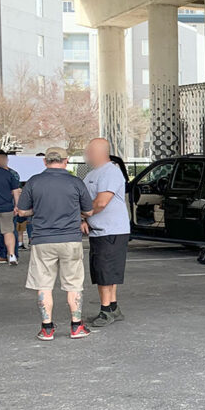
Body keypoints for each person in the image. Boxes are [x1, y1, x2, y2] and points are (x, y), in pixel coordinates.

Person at [16, 147, 94, 341]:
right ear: (66, 161)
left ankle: (47, 328)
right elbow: (89, 211)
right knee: (73, 284)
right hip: (70, 240)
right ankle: (76, 326)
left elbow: (22, 211)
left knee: (44, 285)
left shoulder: (34, 182)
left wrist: (38, 209)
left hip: (42, 240)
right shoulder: (76, 182)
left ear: (45, 162)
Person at [82, 138, 130, 327]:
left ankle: (105, 311)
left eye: (90, 150)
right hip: (99, 231)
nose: (87, 154)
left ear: (101, 152)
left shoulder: (111, 172)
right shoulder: (92, 174)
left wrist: (83, 214)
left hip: (111, 230)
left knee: (106, 271)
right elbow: (84, 199)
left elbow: (101, 202)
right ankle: (112, 308)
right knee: (104, 270)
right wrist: (84, 219)